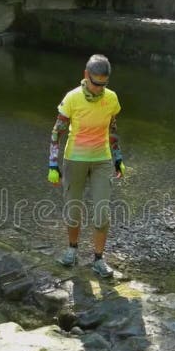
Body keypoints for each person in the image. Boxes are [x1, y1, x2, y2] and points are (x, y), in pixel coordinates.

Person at [48, 54, 126, 277]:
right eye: (95, 83)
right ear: (85, 75)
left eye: (104, 84)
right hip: (75, 160)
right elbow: (56, 133)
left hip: (102, 160)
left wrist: (118, 159)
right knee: (73, 210)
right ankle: (72, 250)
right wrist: (53, 165)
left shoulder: (111, 99)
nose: (99, 88)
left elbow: (112, 131)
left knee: (102, 213)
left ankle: (99, 260)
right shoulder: (72, 98)